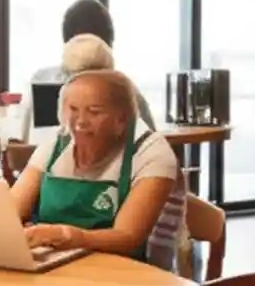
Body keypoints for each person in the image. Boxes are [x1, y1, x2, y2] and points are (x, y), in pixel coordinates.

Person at [10, 70, 177, 258]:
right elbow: (9, 212)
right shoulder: (55, 145)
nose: (80, 122)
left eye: (94, 112)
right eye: (73, 110)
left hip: (125, 272)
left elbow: (128, 237)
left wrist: (70, 236)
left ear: (122, 119)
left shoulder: (150, 151)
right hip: (54, 264)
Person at [29, 0, 157, 129]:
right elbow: (151, 140)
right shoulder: (125, 90)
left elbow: (18, 143)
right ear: (108, 43)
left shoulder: (41, 80)